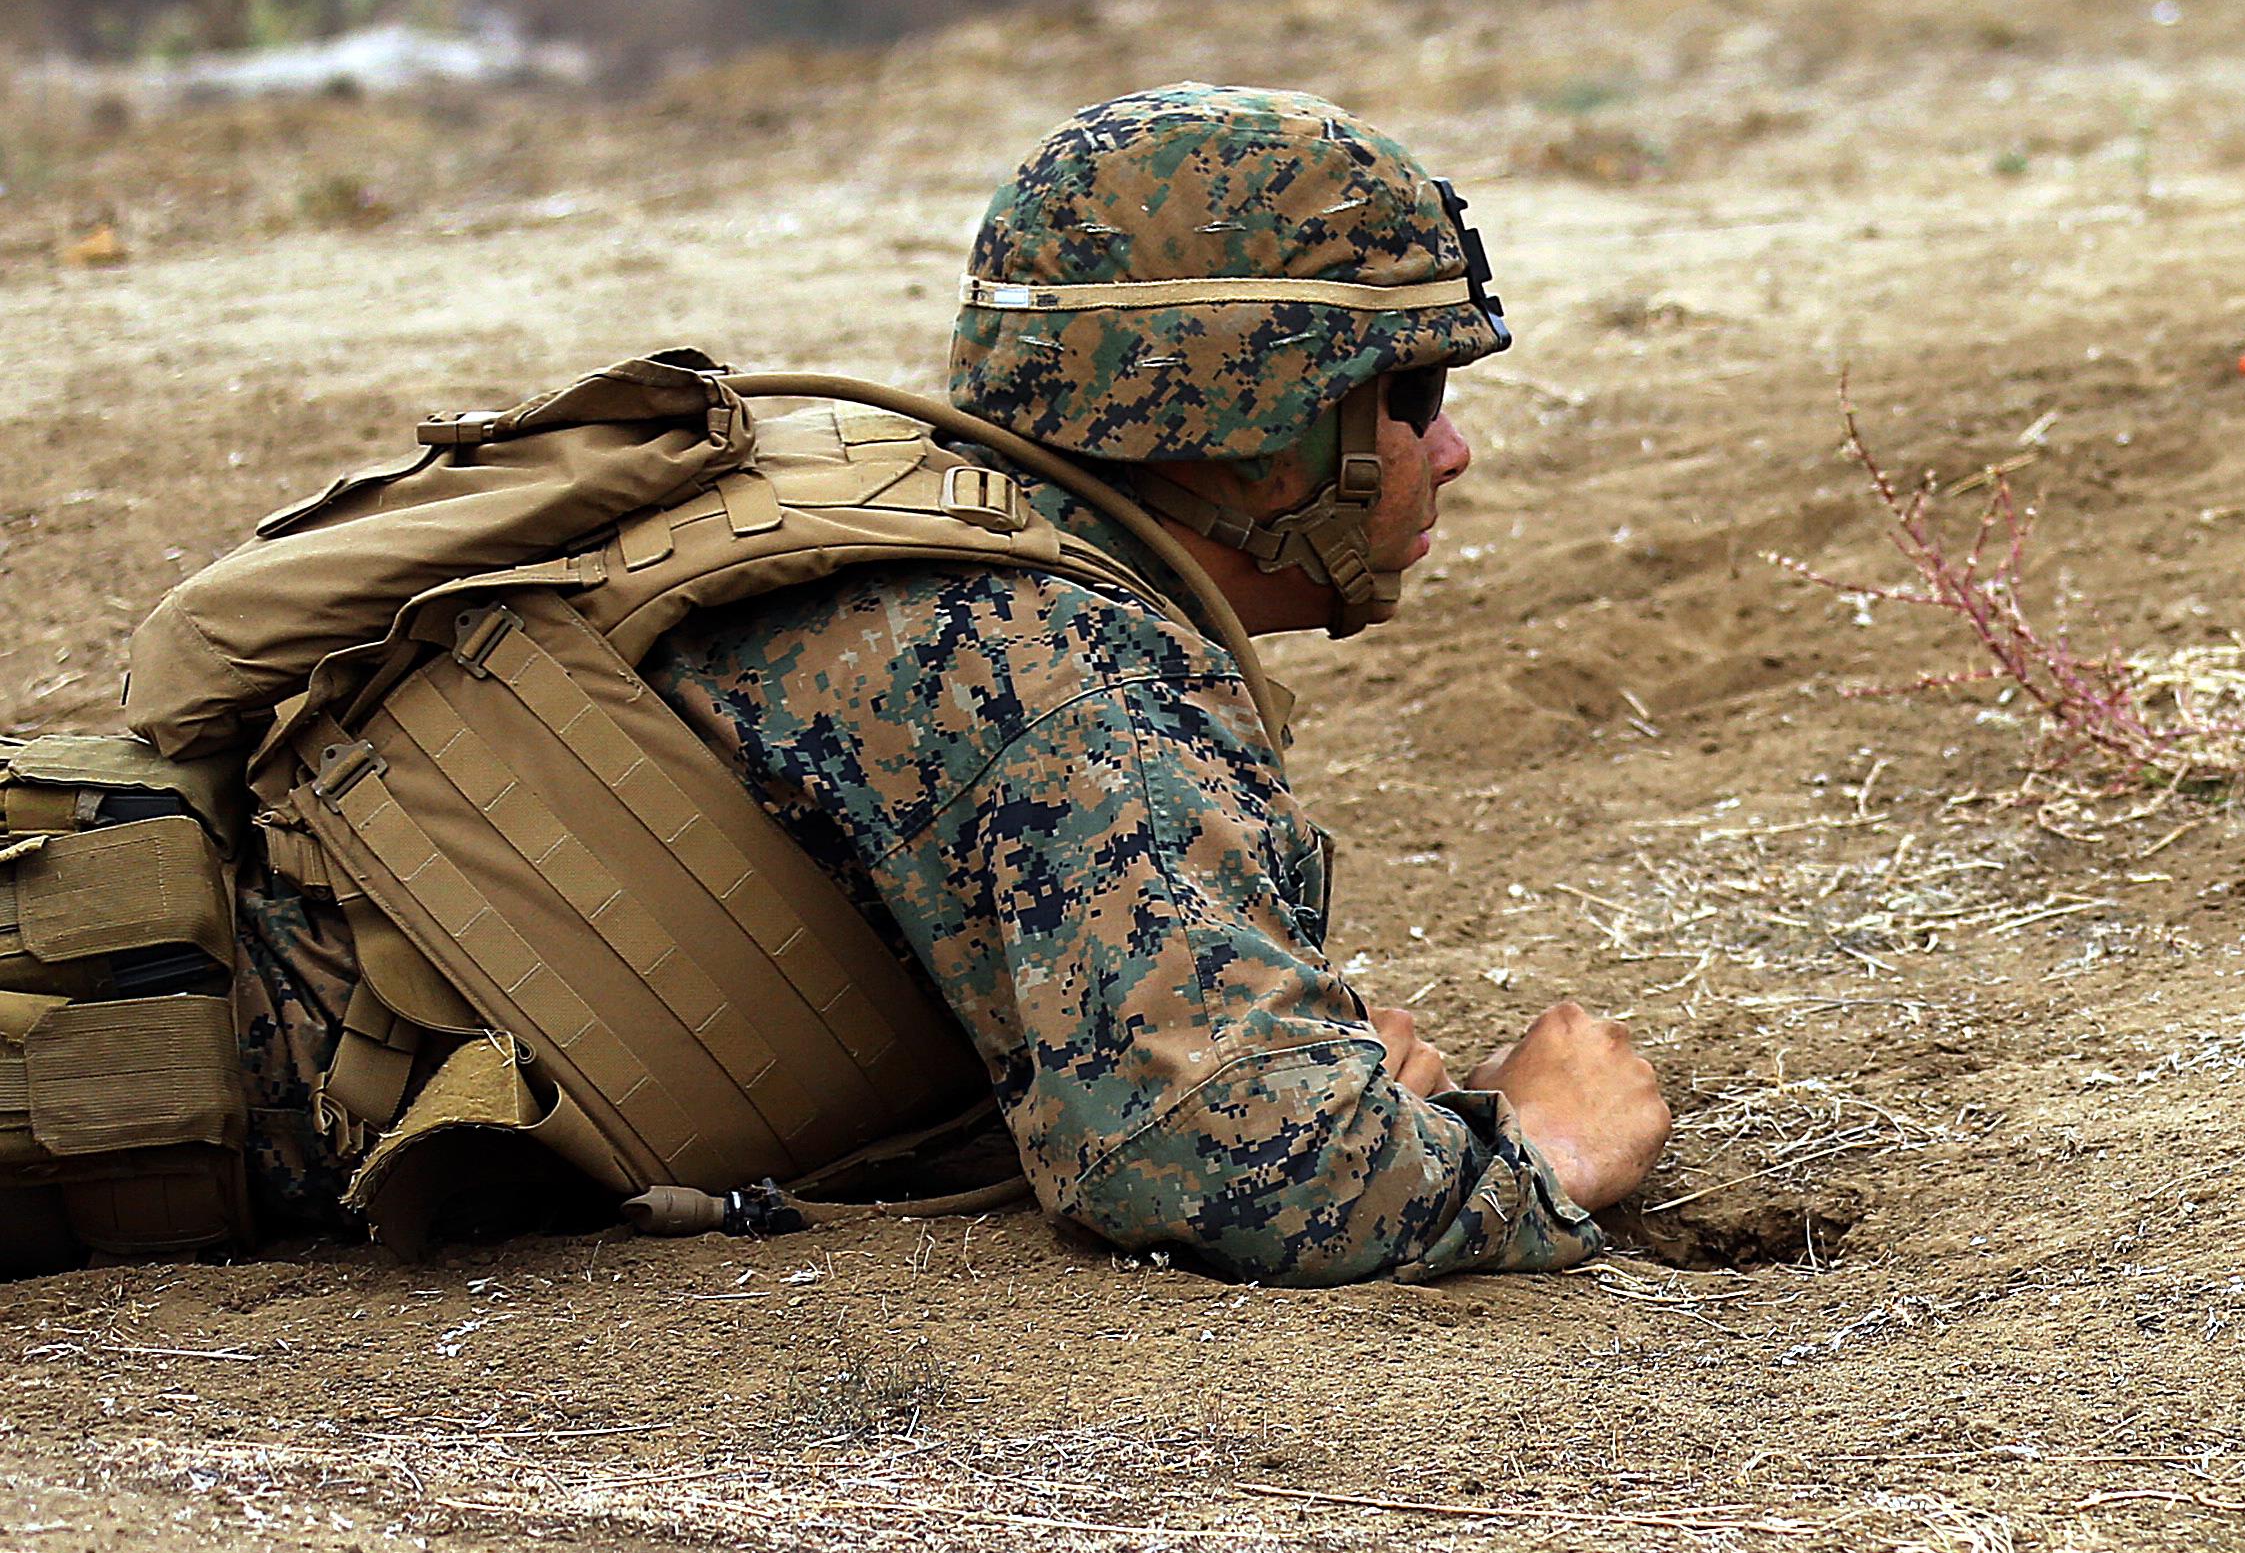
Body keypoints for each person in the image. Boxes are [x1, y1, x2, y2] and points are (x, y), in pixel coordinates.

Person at [208, 86, 1663, 1281]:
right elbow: (1224, 1156)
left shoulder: (930, 516)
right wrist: (1545, 1153)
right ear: (1251, 422)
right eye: (1410, 398)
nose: (1450, 451)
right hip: (136, 1052)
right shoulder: (1064, 674)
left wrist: (1303, 1047)